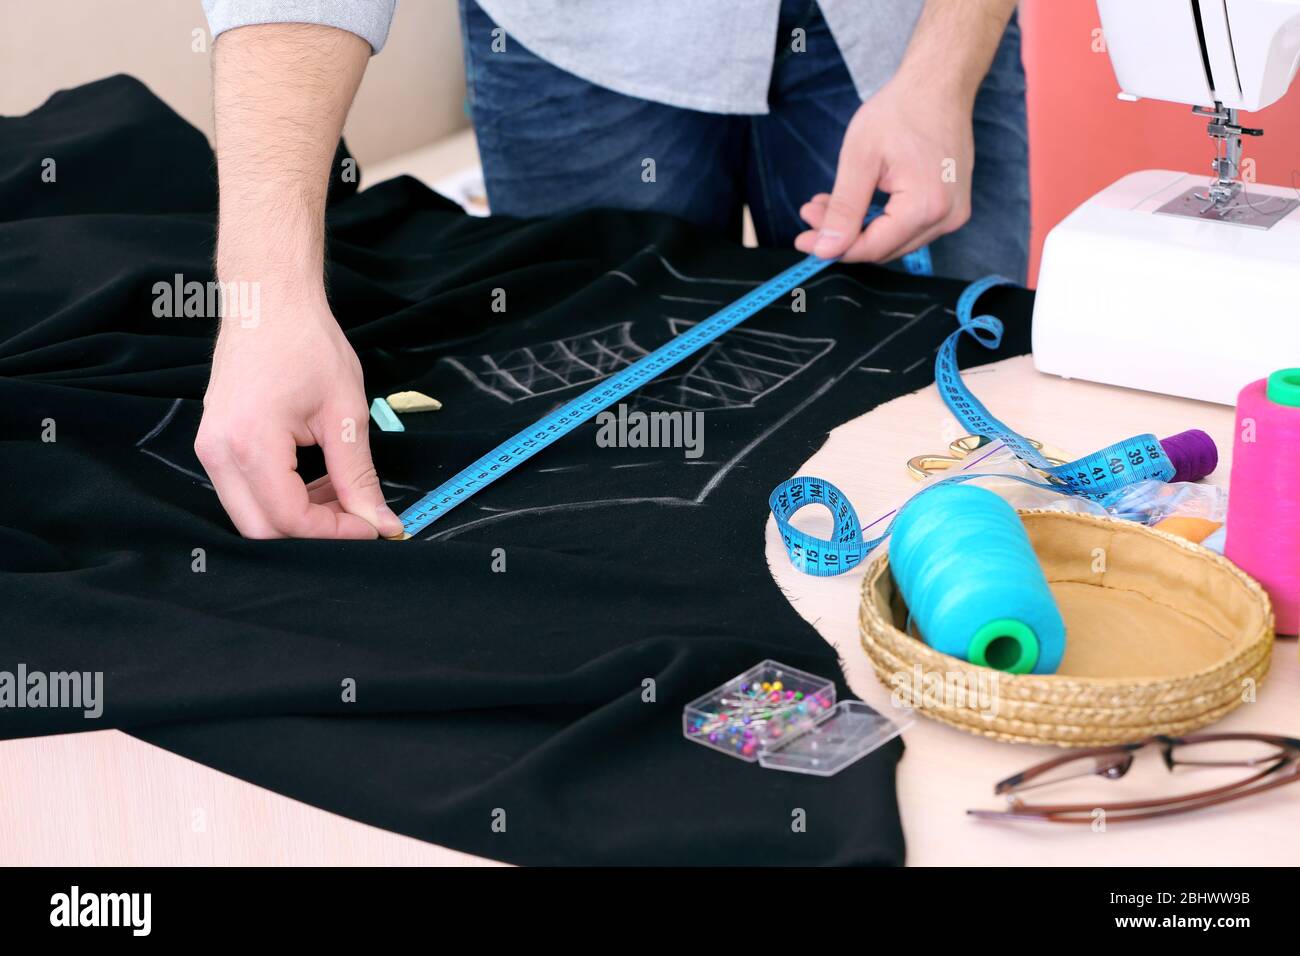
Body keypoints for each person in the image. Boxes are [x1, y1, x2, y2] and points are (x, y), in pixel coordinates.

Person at [195, 0, 1027, 539]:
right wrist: (265, 298)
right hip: (581, 36)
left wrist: (943, 69)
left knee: (954, 450)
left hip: (907, 24)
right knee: (595, 485)